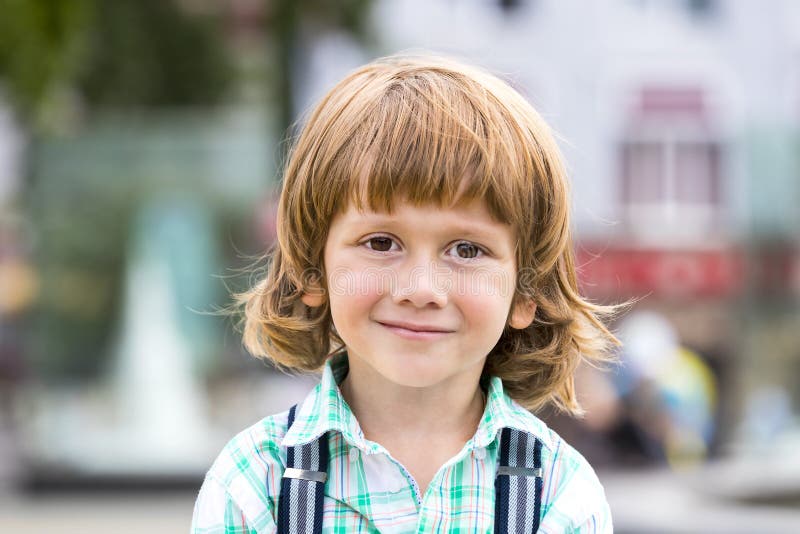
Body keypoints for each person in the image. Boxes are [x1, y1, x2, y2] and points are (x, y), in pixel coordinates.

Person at [191, 54, 622, 533]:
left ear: (526, 292)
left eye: (466, 249)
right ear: (313, 270)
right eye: (381, 243)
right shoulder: (255, 484)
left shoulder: (557, 493)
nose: (421, 289)